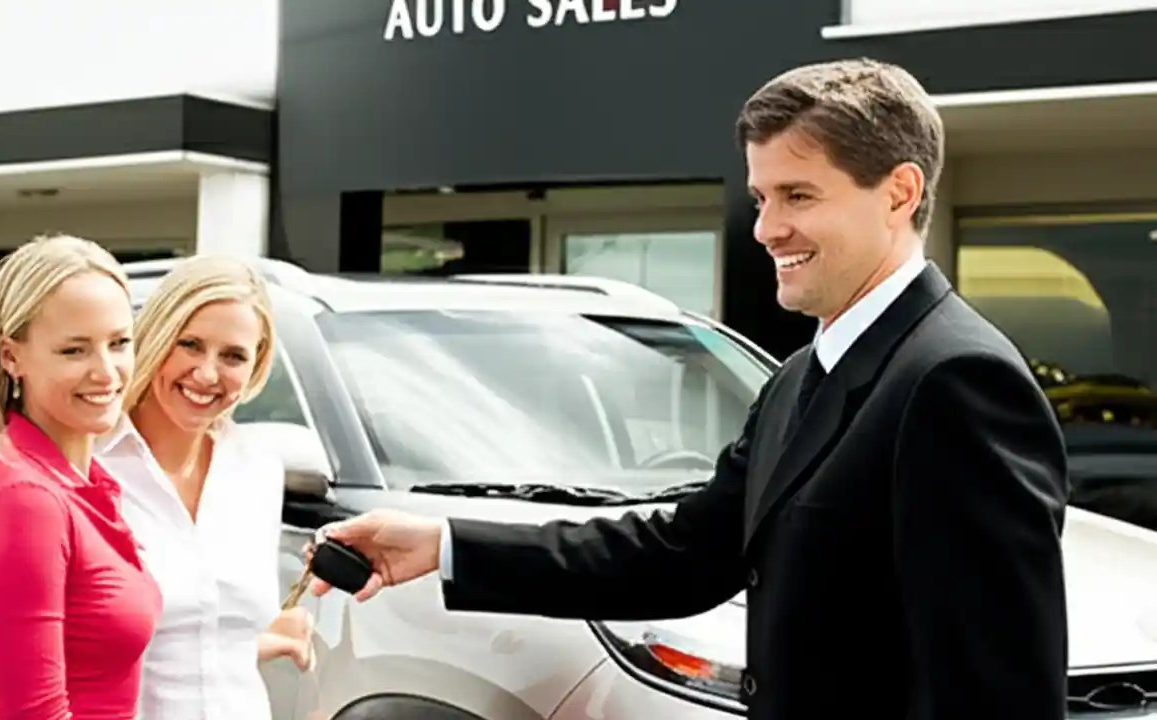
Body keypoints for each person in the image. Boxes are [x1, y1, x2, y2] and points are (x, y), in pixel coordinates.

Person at [309, 58, 1071, 720]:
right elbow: (684, 551)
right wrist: (440, 545)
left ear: (899, 192)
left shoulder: (956, 382)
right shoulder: (803, 375)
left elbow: (994, 693)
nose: (767, 228)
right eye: (762, 196)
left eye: (798, 196)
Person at [0, 254, 315, 719]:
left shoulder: (258, 472)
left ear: (257, 365)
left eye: (233, 355)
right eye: (190, 344)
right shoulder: (82, 466)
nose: (206, 373)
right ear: (155, 339)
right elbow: (44, 645)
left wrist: (265, 636)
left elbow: (192, 637)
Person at [0, 234, 162, 719]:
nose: (107, 371)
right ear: (12, 356)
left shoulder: (86, 483)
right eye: (75, 351)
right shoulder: (27, 500)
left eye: (119, 343)